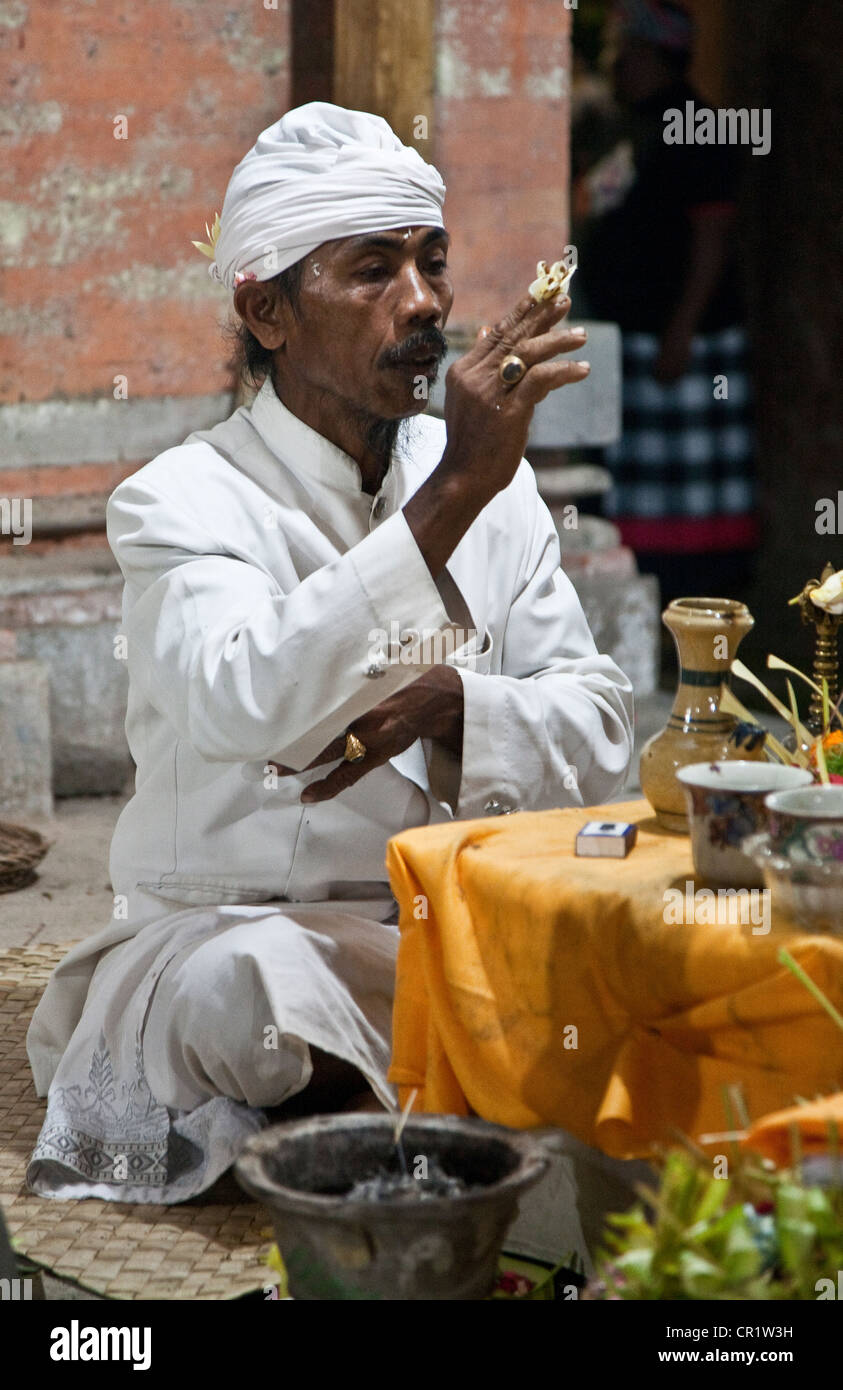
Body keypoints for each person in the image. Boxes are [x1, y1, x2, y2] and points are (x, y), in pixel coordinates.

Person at [25, 103, 633, 1204]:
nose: (426, 304)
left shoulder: (490, 481)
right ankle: (400, 1167)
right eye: (373, 272)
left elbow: (599, 730)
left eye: (432, 264)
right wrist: (449, 500)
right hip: (245, 931)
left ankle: (413, 1147)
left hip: (448, 932)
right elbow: (247, 698)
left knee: (641, 955)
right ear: (267, 312)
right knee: (249, 987)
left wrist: (455, 704)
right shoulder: (179, 502)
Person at [577, 0, 759, 604]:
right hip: (634, 336)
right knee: (638, 492)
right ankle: (656, 595)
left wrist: (681, 332)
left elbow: (712, 237)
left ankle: (702, 600)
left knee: (696, 495)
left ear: (653, 54)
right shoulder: (627, 128)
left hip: (688, 343)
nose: (616, 65)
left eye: (624, 52)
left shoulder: (697, 130)